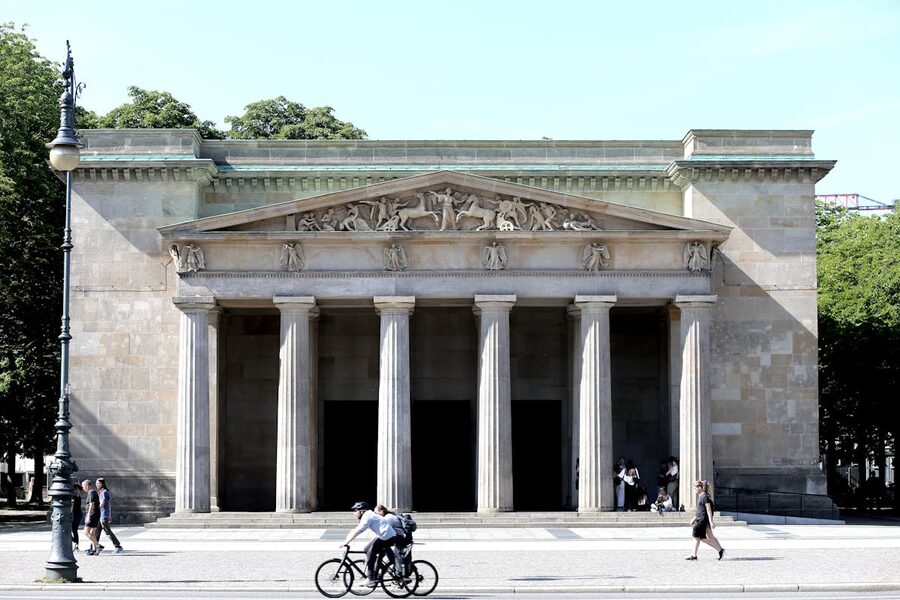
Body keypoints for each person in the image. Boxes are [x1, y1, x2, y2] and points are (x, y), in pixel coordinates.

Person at [340, 501, 404, 587]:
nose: (354, 513)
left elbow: (359, 530)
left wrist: (347, 542)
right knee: (367, 549)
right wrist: (345, 541)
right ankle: (376, 572)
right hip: (384, 536)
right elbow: (355, 529)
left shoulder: (368, 516)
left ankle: (370, 578)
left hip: (387, 537)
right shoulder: (368, 515)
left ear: (362, 511)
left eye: (356, 510)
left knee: (371, 552)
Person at [686, 480, 725, 561]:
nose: (694, 489)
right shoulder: (702, 496)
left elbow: (708, 509)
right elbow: (700, 510)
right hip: (701, 519)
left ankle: (694, 555)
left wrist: (711, 521)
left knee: (696, 537)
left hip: (701, 521)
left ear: (699, 487)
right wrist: (694, 518)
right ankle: (720, 550)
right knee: (708, 537)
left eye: (695, 488)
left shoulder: (704, 497)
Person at [96, 478, 124, 553]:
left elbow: (103, 503)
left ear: (102, 484)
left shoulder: (104, 492)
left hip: (103, 515)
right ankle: (94, 546)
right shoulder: (102, 492)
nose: (96, 485)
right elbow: (109, 505)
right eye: (96, 483)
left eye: (98, 483)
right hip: (101, 515)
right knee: (97, 532)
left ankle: (118, 546)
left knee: (107, 532)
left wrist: (96, 510)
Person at [81, 479, 101, 555]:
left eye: (83, 487)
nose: (83, 488)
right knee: (92, 533)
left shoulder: (91, 492)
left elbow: (91, 504)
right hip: (96, 514)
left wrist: (88, 516)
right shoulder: (94, 492)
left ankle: (98, 545)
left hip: (92, 514)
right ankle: (94, 549)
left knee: (86, 532)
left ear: (87, 486)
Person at [71, 482, 82, 551]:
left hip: (75, 514)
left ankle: (75, 542)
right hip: (78, 514)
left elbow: (72, 507)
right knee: (74, 530)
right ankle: (76, 544)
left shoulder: (74, 497)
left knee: (72, 529)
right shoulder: (78, 496)